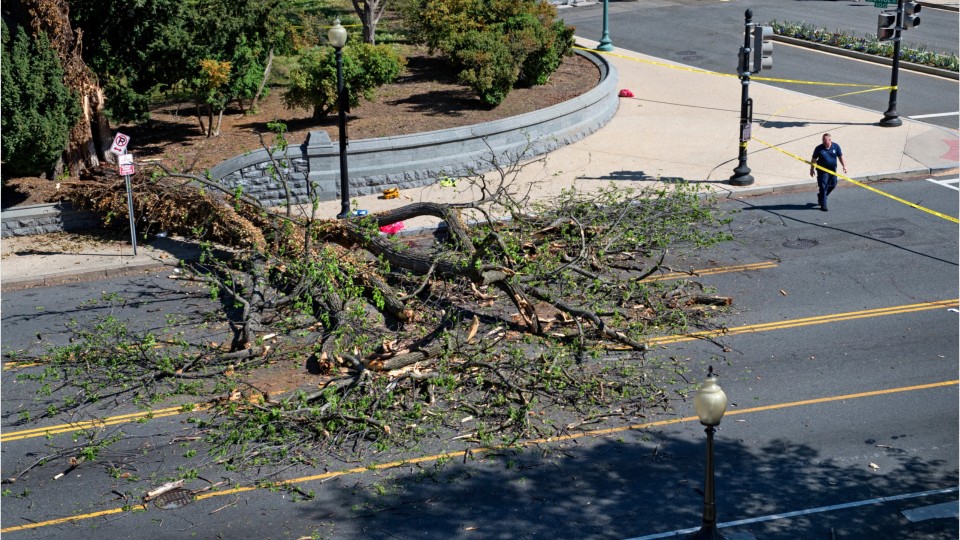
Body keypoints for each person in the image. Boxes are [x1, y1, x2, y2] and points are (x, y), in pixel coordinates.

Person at [809, 133, 847, 211]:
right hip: (822, 171)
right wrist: (812, 169)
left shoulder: (836, 146)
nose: (824, 142)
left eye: (825, 140)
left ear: (830, 140)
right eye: (823, 140)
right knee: (823, 186)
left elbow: (840, 157)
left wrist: (844, 166)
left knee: (833, 184)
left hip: (832, 170)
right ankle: (823, 204)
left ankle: (821, 196)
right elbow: (813, 159)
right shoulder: (819, 148)